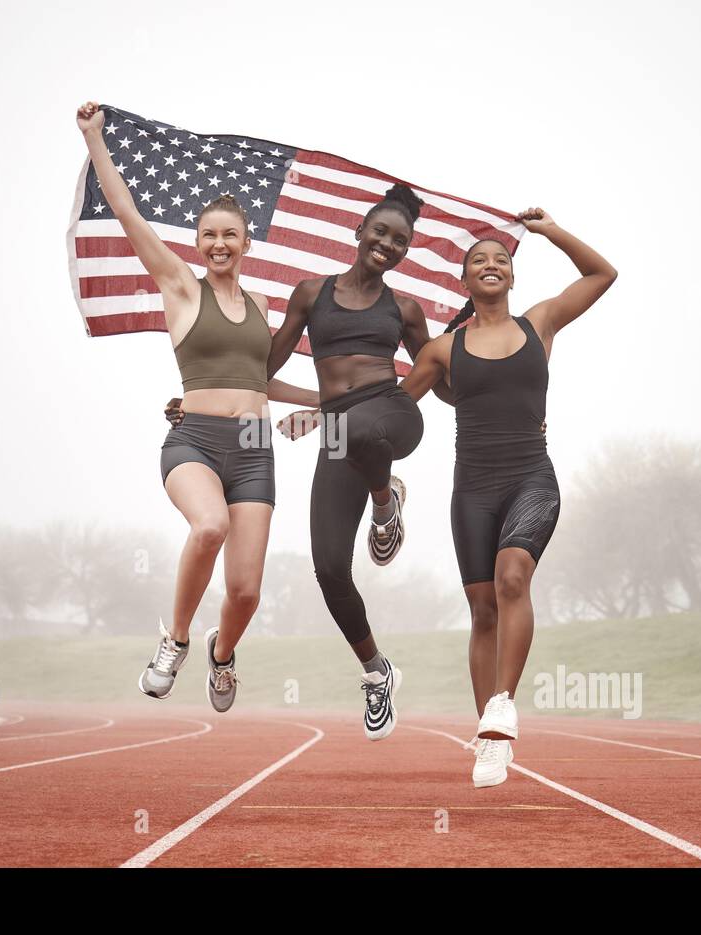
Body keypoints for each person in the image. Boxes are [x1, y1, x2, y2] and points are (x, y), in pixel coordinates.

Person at [168, 184, 452, 740]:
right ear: (359, 233)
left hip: (393, 417)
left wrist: (478, 372)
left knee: (368, 424)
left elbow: (440, 376)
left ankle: (383, 500)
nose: (387, 244)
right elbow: (258, 373)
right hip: (341, 435)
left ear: (404, 251)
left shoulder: (406, 309)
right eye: (380, 232)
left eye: (400, 241)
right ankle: (376, 672)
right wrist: (197, 401)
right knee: (328, 568)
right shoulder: (310, 294)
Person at [77, 101, 319, 712]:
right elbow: (129, 215)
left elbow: (265, 382)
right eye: (208, 235)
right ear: (197, 242)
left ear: (245, 243)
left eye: (229, 236)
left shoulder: (264, 305)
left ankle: (222, 653)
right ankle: (176, 641)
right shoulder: (181, 288)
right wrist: (95, 141)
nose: (218, 244)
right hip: (195, 442)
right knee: (208, 526)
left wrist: (326, 404)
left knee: (245, 592)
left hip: (253, 451)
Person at [400, 208, 617, 786]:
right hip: (471, 489)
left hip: (531, 478)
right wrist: (323, 418)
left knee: (513, 577)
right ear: (464, 282)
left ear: (513, 278)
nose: (491, 265)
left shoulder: (540, 323)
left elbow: (602, 274)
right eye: (478, 261)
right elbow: (393, 414)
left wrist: (550, 231)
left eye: (502, 260)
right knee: (482, 609)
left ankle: (502, 706)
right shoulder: (443, 350)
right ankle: (489, 742)